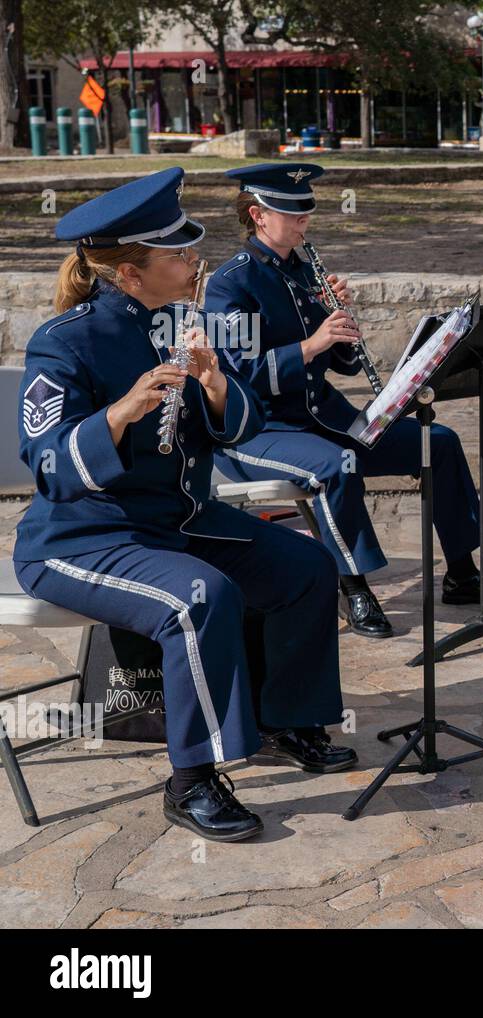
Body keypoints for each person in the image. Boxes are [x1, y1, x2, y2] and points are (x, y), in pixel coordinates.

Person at [13, 168, 355, 842]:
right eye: (178, 254)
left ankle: (286, 721)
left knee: (306, 566)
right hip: (80, 538)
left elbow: (236, 427)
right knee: (198, 598)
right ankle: (192, 780)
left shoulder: (181, 322)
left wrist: (217, 386)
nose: (196, 259)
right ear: (131, 275)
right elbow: (48, 465)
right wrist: (120, 412)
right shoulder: (63, 343)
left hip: (172, 521)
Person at [203, 163, 483, 639]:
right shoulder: (232, 283)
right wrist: (312, 344)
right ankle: (353, 587)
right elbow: (242, 374)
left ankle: (463, 571)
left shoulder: (303, 271)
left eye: (306, 212)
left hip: (321, 419)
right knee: (335, 466)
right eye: (291, 213)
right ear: (257, 215)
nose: (303, 221)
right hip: (259, 430)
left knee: (437, 441)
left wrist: (341, 325)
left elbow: (345, 367)